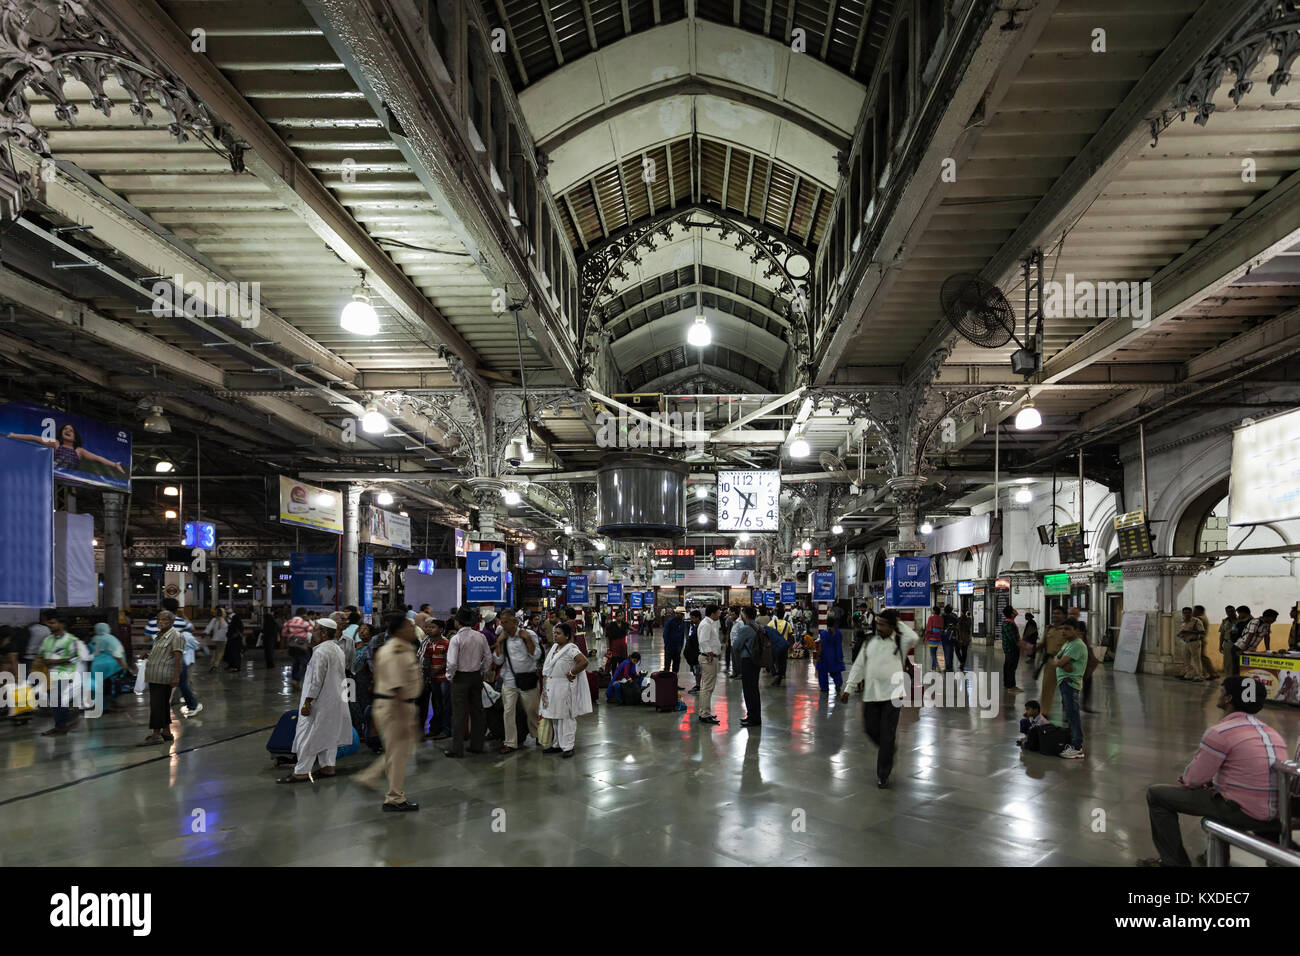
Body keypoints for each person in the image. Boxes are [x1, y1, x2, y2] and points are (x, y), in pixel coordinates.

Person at [1139, 676, 1287, 867]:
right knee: (1224, 791)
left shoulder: (1221, 732)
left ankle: (1173, 863)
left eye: (1222, 691)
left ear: (1229, 699)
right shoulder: (1272, 733)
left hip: (1244, 812)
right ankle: (1212, 854)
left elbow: (1192, 780)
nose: (1220, 693)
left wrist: (1191, 779)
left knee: (1157, 795)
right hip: (1277, 812)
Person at [841, 608, 919, 788]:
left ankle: (883, 774)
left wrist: (897, 622)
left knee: (887, 735)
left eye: (883, 624)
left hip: (893, 695)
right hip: (871, 694)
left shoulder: (901, 642)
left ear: (892, 626)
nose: (879, 627)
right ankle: (889, 749)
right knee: (870, 729)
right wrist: (849, 689)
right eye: (877, 623)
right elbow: (859, 666)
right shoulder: (870, 643)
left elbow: (914, 637)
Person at [355, 612, 420, 811]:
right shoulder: (396, 651)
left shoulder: (397, 648)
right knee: (398, 755)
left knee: (397, 751)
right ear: (399, 630)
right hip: (395, 706)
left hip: (393, 705)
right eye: (409, 626)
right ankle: (394, 798)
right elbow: (396, 686)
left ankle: (369, 777)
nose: (412, 629)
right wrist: (404, 718)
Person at [278, 617, 352, 784]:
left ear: (324, 633)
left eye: (316, 629)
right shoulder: (337, 649)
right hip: (335, 700)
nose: (312, 632)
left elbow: (315, 681)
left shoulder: (321, 652)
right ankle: (328, 768)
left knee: (308, 735)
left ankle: (301, 772)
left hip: (320, 702)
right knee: (329, 735)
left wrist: (307, 702)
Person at [444, 605, 492, 758]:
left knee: (459, 714)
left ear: (457, 622)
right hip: (476, 676)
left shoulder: (456, 639)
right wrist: (482, 671)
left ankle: (457, 749)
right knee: (478, 711)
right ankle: (477, 745)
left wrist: (450, 677)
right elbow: (488, 657)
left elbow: (451, 663)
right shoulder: (480, 636)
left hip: (460, 677)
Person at [538, 621, 591, 757]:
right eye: (554, 633)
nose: (555, 636)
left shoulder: (571, 648)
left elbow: (584, 662)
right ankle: (557, 744)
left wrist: (572, 672)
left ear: (567, 636)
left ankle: (568, 746)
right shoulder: (554, 648)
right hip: (552, 687)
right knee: (554, 717)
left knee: (566, 718)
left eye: (558, 633)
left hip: (564, 687)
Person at [494, 609, 542, 754]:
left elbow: (536, 655)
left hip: (527, 679)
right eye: (501, 622)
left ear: (515, 622)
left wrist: (527, 639)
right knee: (508, 711)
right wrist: (498, 643)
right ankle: (510, 742)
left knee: (532, 710)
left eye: (506, 622)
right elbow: (498, 660)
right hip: (509, 680)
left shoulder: (529, 635)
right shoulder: (503, 638)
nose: (503, 625)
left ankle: (538, 735)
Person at [5, 422, 126, 473]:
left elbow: (98, 458)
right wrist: (14, 435)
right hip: (55, 473)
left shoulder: (79, 451)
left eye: (71, 430)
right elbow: (33, 437)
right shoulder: (56, 444)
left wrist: (114, 464)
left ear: (75, 437)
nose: (67, 431)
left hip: (71, 475)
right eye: (65, 429)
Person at [140, 610, 184, 745]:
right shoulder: (159, 636)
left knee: (157, 705)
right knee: (163, 705)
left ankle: (156, 734)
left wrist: (176, 677)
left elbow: (177, 658)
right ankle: (166, 731)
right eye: (158, 619)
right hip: (154, 675)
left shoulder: (176, 636)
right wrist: (148, 655)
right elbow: (162, 654)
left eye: (164, 619)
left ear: (172, 621)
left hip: (164, 676)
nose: (160, 622)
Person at [37, 614, 79, 736]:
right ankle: (63, 723)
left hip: (65, 674)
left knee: (56, 700)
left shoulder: (71, 640)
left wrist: (55, 661)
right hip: (50, 674)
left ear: (61, 624)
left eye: (53, 623)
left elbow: (75, 658)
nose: (49, 626)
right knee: (55, 701)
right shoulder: (47, 640)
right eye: (49, 623)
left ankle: (61, 725)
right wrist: (42, 660)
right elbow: (41, 654)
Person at [1054, 620, 1088, 758]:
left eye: (1067, 629)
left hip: (1070, 683)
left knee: (1073, 715)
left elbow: (1060, 661)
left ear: (1076, 630)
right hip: (1064, 682)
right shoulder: (1068, 643)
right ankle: (1073, 741)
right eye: (1062, 628)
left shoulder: (1077, 646)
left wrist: (1060, 663)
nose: (1063, 631)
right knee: (1069, 714)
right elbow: (1057, 659)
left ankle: (1077, 747)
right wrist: (1061, 663)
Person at [732, 606, 762, 728]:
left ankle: (752, 718)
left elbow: (736, 646)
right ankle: (755, 717)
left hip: (748, 661)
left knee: (748, 690)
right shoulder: (758, 626)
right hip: (756, 661)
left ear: (746, 616)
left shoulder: (746, 628)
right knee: (754, 689)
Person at [89, 621, 129, 713]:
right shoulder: (110, 638)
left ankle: (101, 706)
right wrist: (123, 665)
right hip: (109, 667)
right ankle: (108, 705)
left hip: (96, 666)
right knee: (110, 685)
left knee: (98, 686)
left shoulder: (95, 638)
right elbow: (117, 653)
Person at [1037, 606, 1068, 716]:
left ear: (1064, 615)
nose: (1055, 615)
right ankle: (1044, 713)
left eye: (1058, 613)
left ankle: (1068, 714)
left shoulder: (1068, 629)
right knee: (1046, 690)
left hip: (1065, 663)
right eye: (1054, 613)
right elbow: (1042, 644)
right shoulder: (1049, 629)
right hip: (1050, 663)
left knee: (1067, 691)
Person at [695, 605, 722, 726]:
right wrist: (710, 653)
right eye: (718, 612)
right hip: (708, 658)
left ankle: (704, 712)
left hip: (709, 658)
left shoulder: (709, 623)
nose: (719, 614)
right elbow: (703, 641)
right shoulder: (706, 624)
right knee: (707, 687)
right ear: (712, 613)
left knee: (707, 687)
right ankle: (705, 714)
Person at [815, 609, 846, 694]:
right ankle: (838, 683)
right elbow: (840, 643)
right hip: (836, 654)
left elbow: (821, 646)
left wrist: (818, 656)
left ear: (826, 623)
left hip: (825, 656)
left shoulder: (823, 634)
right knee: (836, 671)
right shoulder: (838, 633)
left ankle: (824, 687)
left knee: (823, 672)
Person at [282, 608, 313, 688]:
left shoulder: (288, 622)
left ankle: (294, 680)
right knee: (306, 664)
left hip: (292, 646)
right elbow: (311, 631)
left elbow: (284, 634)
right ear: (304, 614)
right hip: (301, 646)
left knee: (295, 663)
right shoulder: (304, 623)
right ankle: (297, 679)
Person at [176, 628, 203, 719]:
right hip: (186, 660)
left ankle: (191, 701)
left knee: (184, 683)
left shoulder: (182, 635)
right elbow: (196, 646)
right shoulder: (186, 635)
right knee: (185, 682)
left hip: (183, 661)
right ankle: (190, 699)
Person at [1176, 606, 1207, 682]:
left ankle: (1200, 676)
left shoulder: (1196, 621)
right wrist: (1181, 635)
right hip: (1185, 642)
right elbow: (1181, 631)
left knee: (1196, 660)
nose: (1187, 614)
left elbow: (1202, 632)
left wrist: (1188, 632)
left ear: (1191, 613)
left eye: (1188, 612)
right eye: (1185, 612)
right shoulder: (1182, 621)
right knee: (1186, 660)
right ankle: (1189, 675)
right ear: (1183, 613)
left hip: (1194, 642)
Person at [768, 605, 794, 686]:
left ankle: (776, 674)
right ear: (783, 615)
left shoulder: (771, 623)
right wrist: (791, 646)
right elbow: (790, 636)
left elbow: (767, 633)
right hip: (784, 646)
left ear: (776, 615)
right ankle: (781, 675)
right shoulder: (787, 624)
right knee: (783, 661)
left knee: (773, 661)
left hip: (774, 646)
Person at [1000, 606, 1021, 692]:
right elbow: (1012, 638)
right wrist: (1019, 645)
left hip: (1010, 648)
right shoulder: (1008, 623)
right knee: (1011, 667)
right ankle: (1011, 686)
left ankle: (1007, 684)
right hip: (1011, 649)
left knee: (1008, 666)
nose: (1016, 610)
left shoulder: (1009, 622)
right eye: (1013, 610)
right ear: (1012, 614)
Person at [1193, 605, 1216, 678]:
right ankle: (1206, 673)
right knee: (1201, 658)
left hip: (1200, 640)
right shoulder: (1202, 618)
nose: (1193, 612)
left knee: (1203, 657)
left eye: (1195, 610)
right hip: (1201, 639)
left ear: (1199, 611)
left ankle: (1212, 673)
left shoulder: (1200, 619)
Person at [662, 606, 686, 674]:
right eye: (677, 613)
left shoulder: (683, 623)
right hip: (669, 647)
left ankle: (674, 680)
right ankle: (666, 681)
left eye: (680, 614)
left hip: (678, 648)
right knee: (667, 665)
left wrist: (681, 647)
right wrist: (667, 645)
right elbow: (665, 635)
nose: (678, 615)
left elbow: (682, 635)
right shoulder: (670, 622)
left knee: (676, 666)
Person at [683, 610, 701, 693]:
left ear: (698, 618)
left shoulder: (700, 627)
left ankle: (698, 685)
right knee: (696, 669)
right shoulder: (693, 626)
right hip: (692, 652)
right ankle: (698, 685)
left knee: (698, 669)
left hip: (697, 652)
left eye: (693, 618)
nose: (691, 619)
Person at [922, 606, 945, 672]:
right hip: (938, 638)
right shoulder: (941, 618)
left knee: (932, 654)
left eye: (932, 610)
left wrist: (926, 637)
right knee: (934, 652)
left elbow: (928, 628)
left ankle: (937, 665)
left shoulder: (931, 618)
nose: (932, 611)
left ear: (934, 611)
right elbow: (942, 628)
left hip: (932, 638)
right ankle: (933, 668)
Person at [205, 608, 228, 672]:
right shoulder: (226, 620)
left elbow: (209, 627)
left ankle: (213, 665)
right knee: (220, 652)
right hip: (223, 639)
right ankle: (215, 665)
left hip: (216, 639)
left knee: (216, 652)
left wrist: (205, 633)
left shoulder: (214, 620)